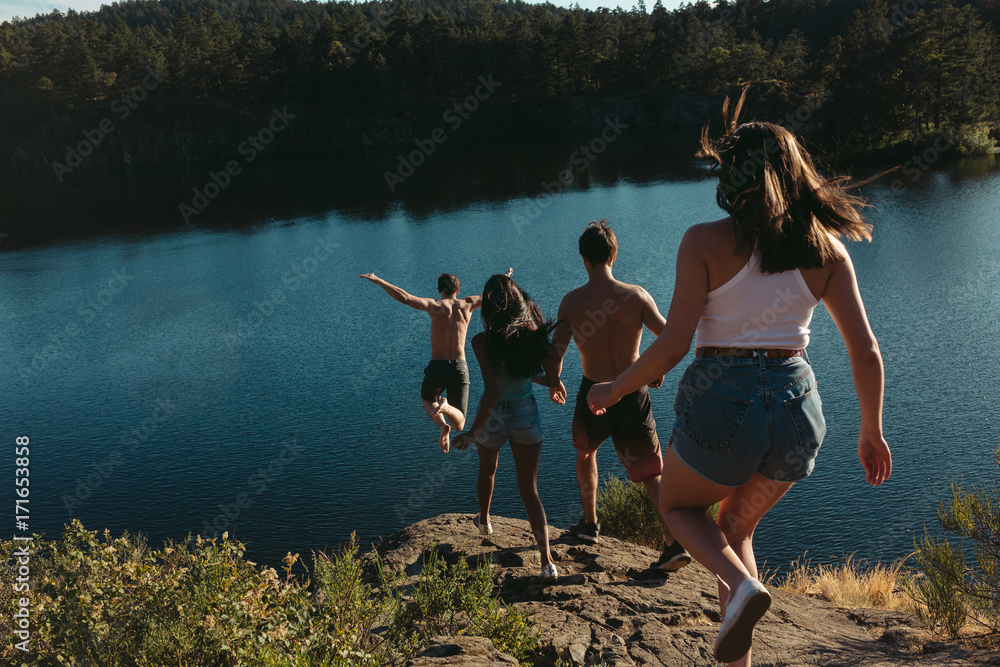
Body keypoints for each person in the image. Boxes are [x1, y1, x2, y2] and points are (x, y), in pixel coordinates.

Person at [586, 90, 892, 666]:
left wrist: (614, 388)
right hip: (799, 408)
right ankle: (738, 637)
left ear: (734, 176)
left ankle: (742, 586)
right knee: (736, 527)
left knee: (678, 509)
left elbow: (674, 344)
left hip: (723, 399)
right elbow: (866, 350)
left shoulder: (703, 241)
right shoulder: (827, 250)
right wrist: (871, 430)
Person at [549, 220, 692, 572]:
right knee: (649, 471)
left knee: (586, 453)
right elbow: (672, 339)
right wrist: (655, 370)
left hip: (593, 392)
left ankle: (590, 524)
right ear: (615, 254)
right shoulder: (637, 296)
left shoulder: (571, 302)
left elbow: (556, 352)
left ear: (584, 258)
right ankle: (673, 543)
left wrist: (554, 381)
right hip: (632, 391)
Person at [452, 274, 565, 582]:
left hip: (494, 418)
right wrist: (553, 382)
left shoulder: (481, 342)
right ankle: (547, 562)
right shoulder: (531, 338)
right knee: (530, 491)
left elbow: (493, 390)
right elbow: (534, 375)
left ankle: (485, 520)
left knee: (487, 469)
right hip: (526, 415)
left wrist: (472, 432)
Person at [360, 269, 511, 453]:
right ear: (457, 290)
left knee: (427, 398)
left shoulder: (434, 305)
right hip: (459, 367)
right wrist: (504, 278)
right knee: (460, 424)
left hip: (437, 366)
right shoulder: (468, 304)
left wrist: (379, 280)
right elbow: (491, 294)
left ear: (439, 290)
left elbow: (405, 298)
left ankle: (441, 426)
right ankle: (446, 408)